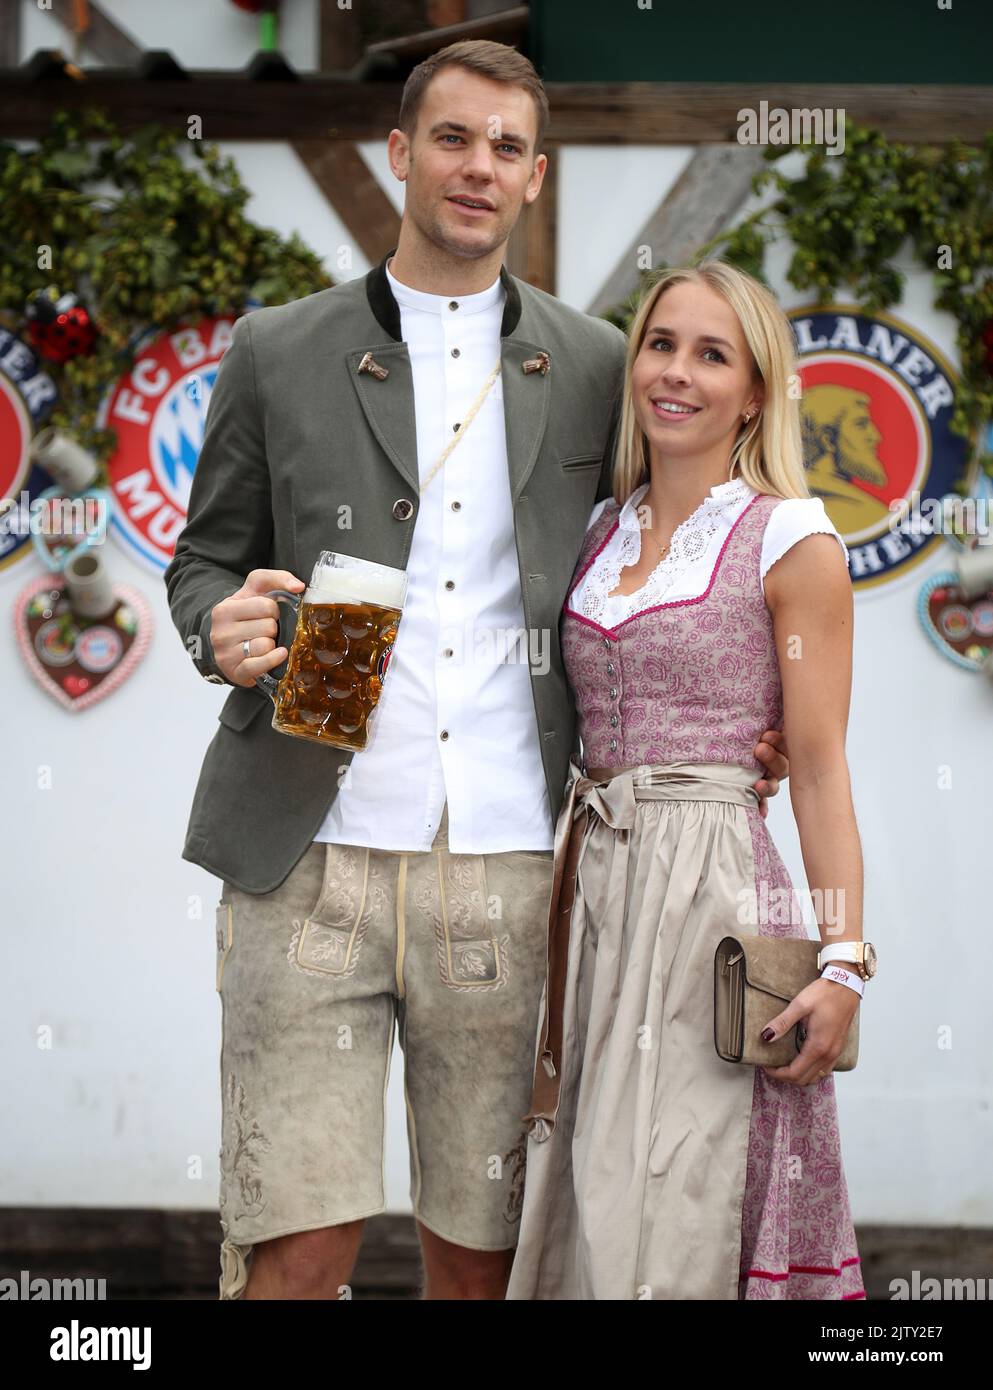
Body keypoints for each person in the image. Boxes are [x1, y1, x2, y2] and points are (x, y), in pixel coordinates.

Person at [164, 41, 789, 1301]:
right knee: (294, 1257)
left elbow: (683, 551)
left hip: (512, 863)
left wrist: (744, 721)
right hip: (306, 850)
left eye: (506, 148)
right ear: (401, 154)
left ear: (535, 177)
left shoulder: (603, 361)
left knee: (486, 1261)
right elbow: (204, 561)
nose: (477, 167)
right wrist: (215, 628)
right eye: (453, 138)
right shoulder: (279, 349)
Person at [506, 261, 871, 1301]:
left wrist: (843, 960)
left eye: (713, 354)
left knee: (677, 1200)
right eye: (661, 344)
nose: (677, 372)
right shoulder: (596, 531)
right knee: (585, 1187)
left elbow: (817, 768)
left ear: (756, 391)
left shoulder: (792, 537)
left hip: (715, 902)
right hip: (593, 896)